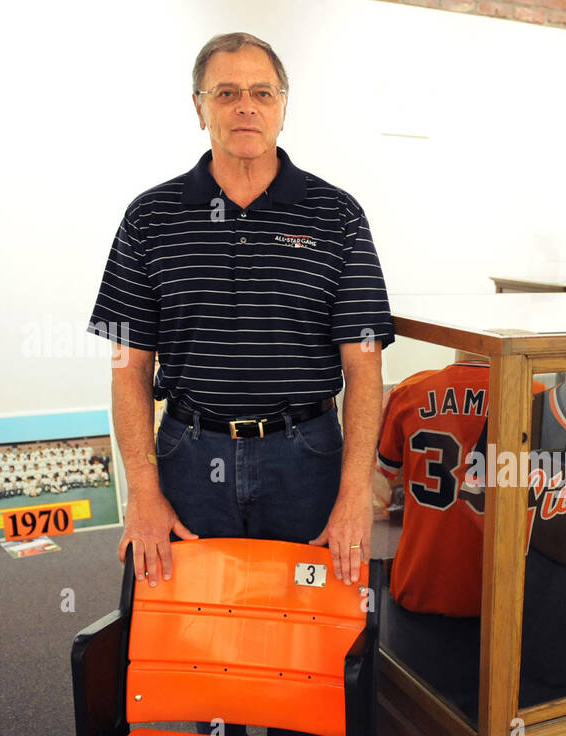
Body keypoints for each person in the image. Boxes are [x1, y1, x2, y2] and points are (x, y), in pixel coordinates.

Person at [90, 31, 392, 594]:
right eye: (226, 93)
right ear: (199, 107)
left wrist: (355, 492)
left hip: (307, 455)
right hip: (188, 453)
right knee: (188, 624)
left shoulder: (338, 214)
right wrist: (143, 491)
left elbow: (365, 368)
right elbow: (128, 367)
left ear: (284, 106)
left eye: (262, 92)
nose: (246, 106)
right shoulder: (149, 217)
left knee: (309, 629)